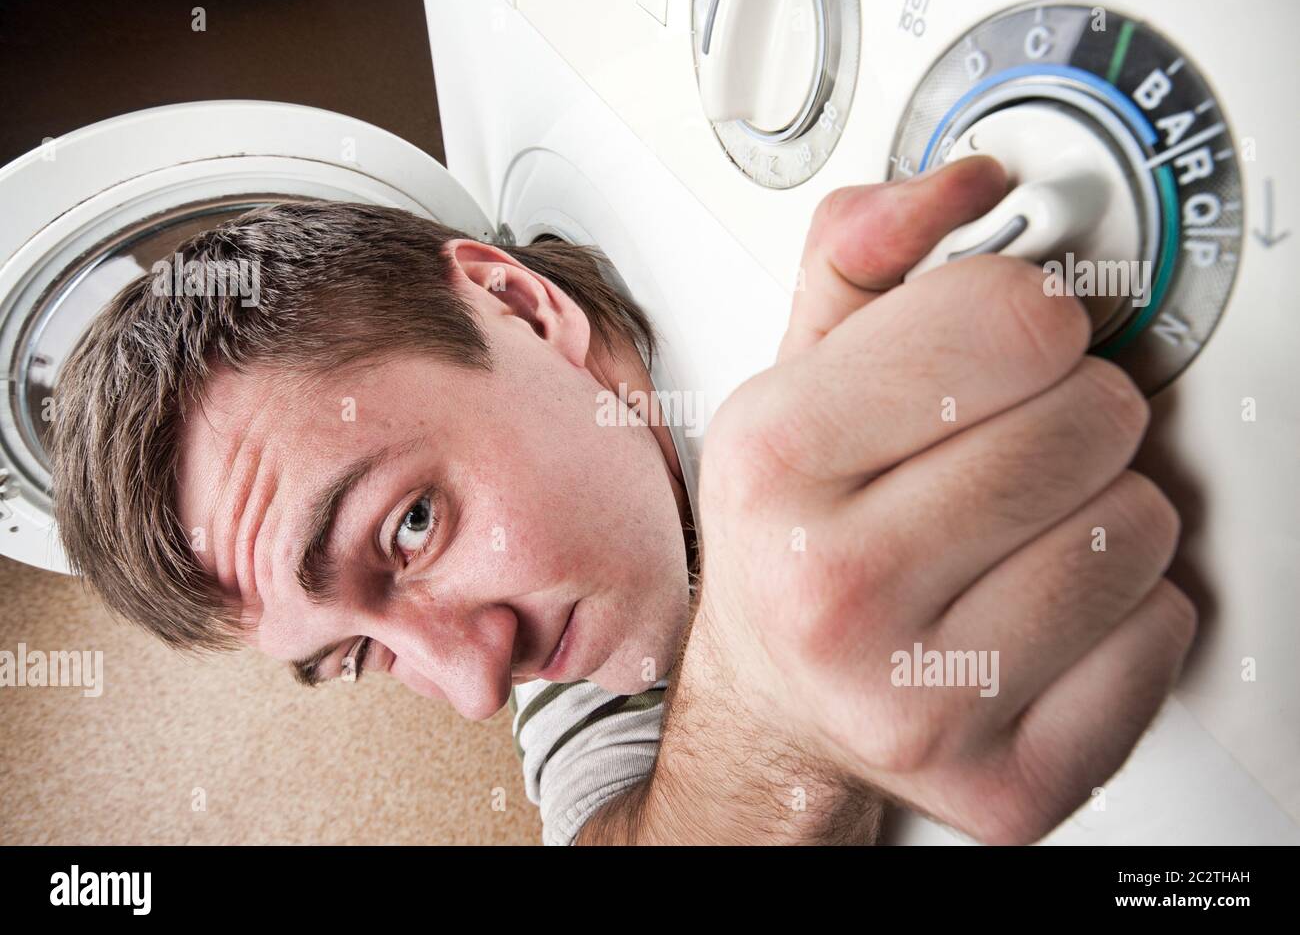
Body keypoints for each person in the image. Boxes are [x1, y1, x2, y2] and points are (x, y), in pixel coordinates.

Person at [49, 156, 1194, 845]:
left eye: (411, 526)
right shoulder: (563, 643)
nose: (474, 681)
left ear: (521, 306)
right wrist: (769, 715)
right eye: (358, 653)